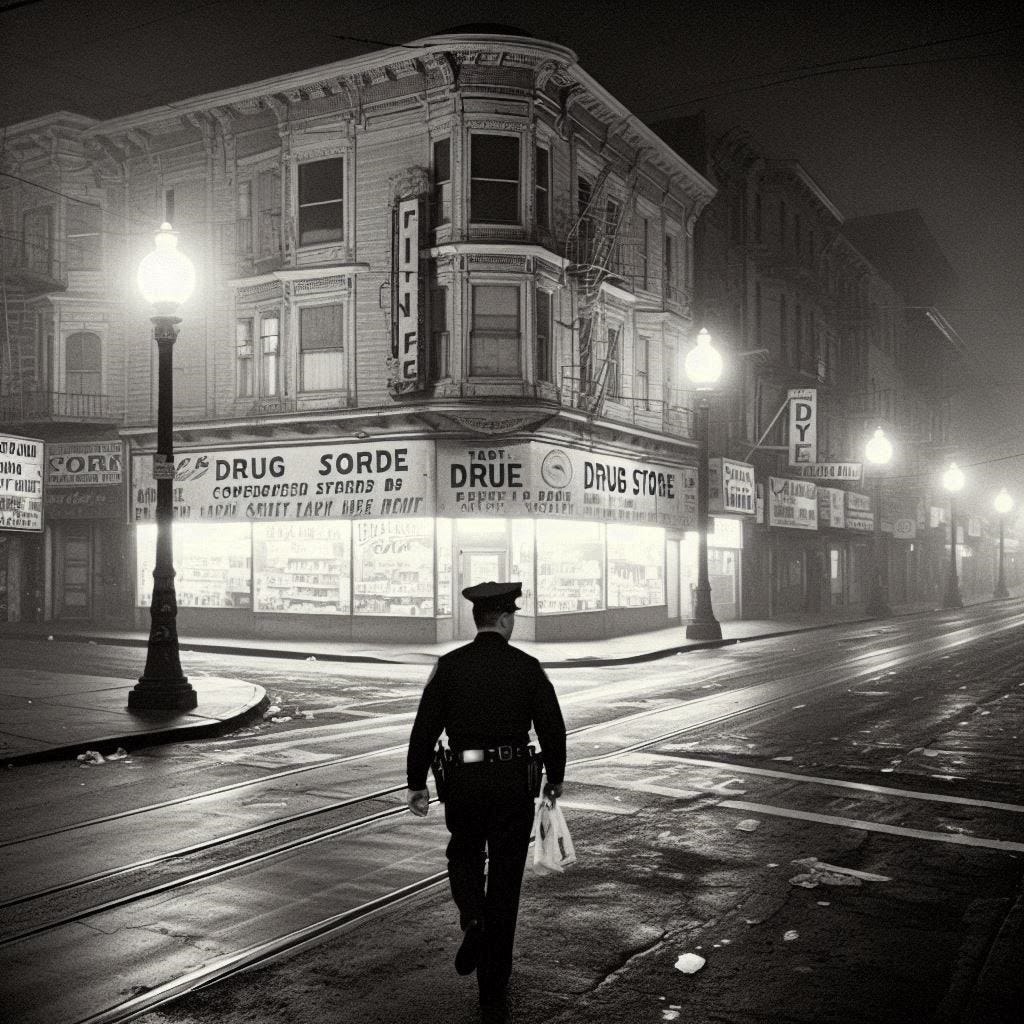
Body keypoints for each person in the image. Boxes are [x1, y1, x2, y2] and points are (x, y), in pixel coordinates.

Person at [406, 580, 566, 1023]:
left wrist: (416, 781)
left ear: (478, 620)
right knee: (507, 878)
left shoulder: (449, 666)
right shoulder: (527, 667)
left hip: (464, 780)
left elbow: (425, 727)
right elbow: (553, 728)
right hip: (513, 780)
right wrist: (555, 777)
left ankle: (472, 917)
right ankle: (492, 985)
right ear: (506, 619)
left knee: (463, 850)